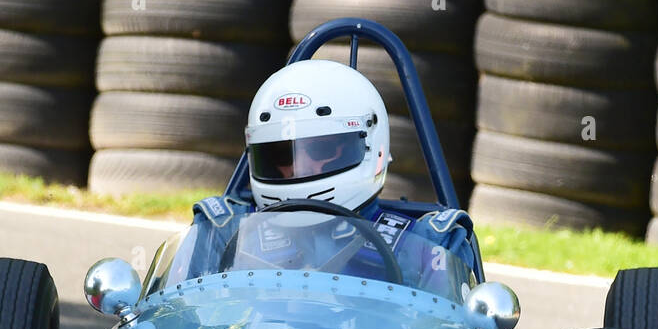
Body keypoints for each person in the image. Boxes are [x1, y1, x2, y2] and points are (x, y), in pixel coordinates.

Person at [188, 58, 481, 293]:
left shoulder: (430, 245)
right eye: (280, 156)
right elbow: (174, 328)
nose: (300, 169)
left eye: (320, 150)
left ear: (370, 145)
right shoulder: (222, 230)